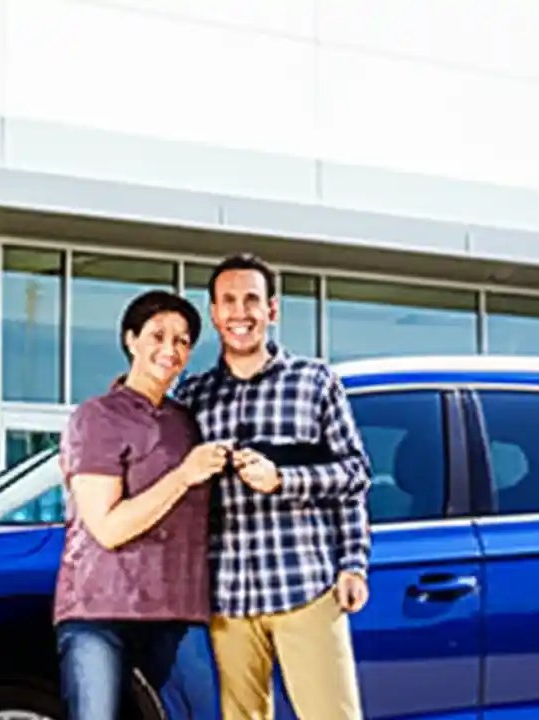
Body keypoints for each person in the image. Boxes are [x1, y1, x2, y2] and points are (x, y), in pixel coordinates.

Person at [172, 253, 374, 720]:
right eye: (228, 301)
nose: (239, 313)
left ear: (272, 309)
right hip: (228, 598)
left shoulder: (314, 382)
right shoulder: (193, 397)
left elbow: (354, 473)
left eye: (250, 300)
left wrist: (352, 563)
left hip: (305, 587)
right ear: (214, 312)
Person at [53, 290, 232, 720]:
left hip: (178, 608)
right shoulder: (96, 418)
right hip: (101, 609)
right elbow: (108, 528)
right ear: (131, 340)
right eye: (158, 335)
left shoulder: (189, 421)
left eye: (183, 341)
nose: (170, 350)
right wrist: (184, 475)